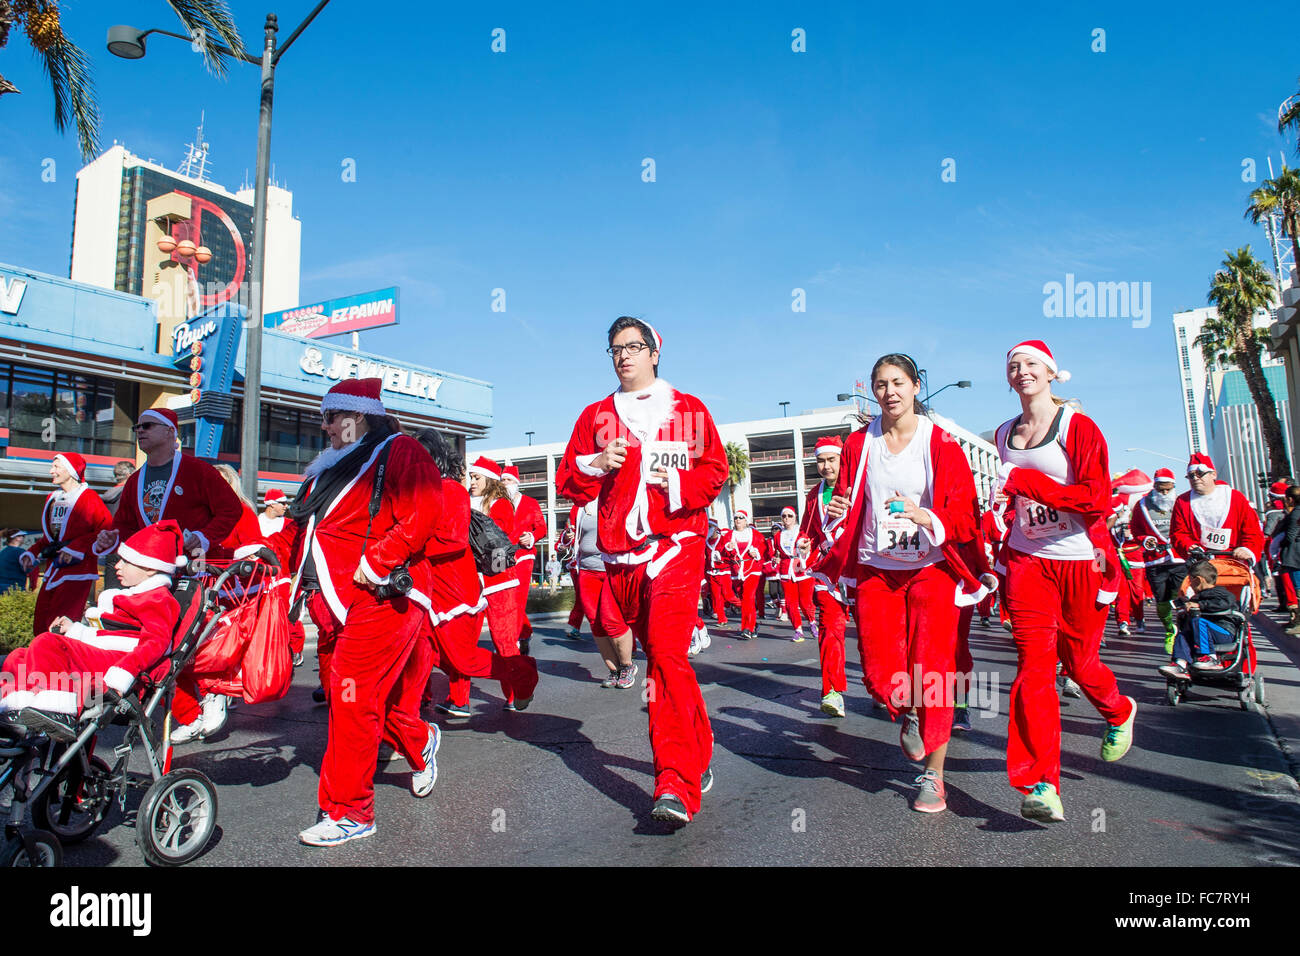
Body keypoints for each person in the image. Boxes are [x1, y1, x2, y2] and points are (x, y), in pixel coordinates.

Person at [555, 316, 727, 825]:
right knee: (664, 657)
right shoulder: (595, 415)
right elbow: (569, 480)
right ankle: (699, 747)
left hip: (677, 546)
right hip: (619, 553)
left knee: (668, 656)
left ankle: (673, 782)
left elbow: (714, 471)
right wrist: (596, 462)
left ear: (654, 352)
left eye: (633, 347)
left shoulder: (688, 410)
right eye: (614, 349)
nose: (623, 355)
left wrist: (675, 482)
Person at [268, 378, 444, 847]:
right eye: (323, 418)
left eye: (330, 417)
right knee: (363, 697)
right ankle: (419, 740)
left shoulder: (400, 449)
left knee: (351, 691)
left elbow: (424, 511)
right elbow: (293, 531)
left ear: (356, 416)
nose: (323, 427)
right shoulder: (321, 469)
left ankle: (350, 812)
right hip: (333, 596)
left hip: (385, 593)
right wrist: (249, 554)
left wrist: (379, 560)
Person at [821, 353, 990, 814]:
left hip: (931, 568)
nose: (889, 392)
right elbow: (847, 497)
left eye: (898, 382)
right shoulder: (859, 444)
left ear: (916, 387)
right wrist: (838, 510)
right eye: (880, 384)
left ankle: (933, 776)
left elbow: (964, 509)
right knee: (878, 673)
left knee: (931, 668)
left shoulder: (942, 444)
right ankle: (908, 709)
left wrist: (925, 515)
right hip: (878, 568)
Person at [992, 340, 1136, 824]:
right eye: (1013, 365)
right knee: (1034, 669)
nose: (1021, 370)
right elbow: (1016, 498)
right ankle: (1042, 782)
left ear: (1051, 373)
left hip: (1082, 559)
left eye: (1030, 363)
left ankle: (1118, 711)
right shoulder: (1002, 433)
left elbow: (1096, 498)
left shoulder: (1078, 426)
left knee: (1078, 662)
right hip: (1030, 560)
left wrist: (1023, 483)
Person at [0, 521, 185, 740]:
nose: (117, 566)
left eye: (126, 562)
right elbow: (109, 635)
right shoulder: (133, 596)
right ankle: (14, 709)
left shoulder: (158, 599)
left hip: (120, 667)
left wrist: (122, 674)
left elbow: (156, 644)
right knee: (19, 656)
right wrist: (75, 630)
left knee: (47, 643)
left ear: (150, 568)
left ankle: (59, 711)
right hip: (105, 656)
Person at [414, 429, 539, 720]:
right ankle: (410, 717)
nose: (472, 482)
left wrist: (410, 545)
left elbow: (454, 539)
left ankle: (521, 674)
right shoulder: (426, 491)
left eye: (477, 478)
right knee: (421, 652)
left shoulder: (453, 492)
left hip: (470, 586)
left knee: (469, 655)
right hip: (433, 588)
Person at [93, 408, 244, 568]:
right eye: (137, 427)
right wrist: (113, 539)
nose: (140, 431)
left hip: (194, 566)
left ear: (169, 431)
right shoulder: (134, 481)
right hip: (150, 568)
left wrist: (203, 537)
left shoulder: (198, 470)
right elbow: (125, 525)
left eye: (147, 426)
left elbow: (231, 509)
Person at [22, 453, 112, 636]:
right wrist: (31, 553)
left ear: (71, 471)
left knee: (60, 624)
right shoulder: (52, 498)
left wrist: (75, 548)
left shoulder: (89, 498)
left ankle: (57, 662)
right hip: (53, 570)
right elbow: (50, 539)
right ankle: (41, 660)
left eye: (56, 467)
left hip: (77, 572)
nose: (51, 471)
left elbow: (106, 531)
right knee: (41, 621)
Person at [800, 435, 855, 718]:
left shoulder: (856, 487)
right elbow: (806, 531)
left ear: (841, 459)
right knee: (830, 629)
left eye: (831, 460)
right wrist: (802, 543)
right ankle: (832, 691)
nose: (825, 466)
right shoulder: (813, 494)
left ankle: (878, 683)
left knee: (871, 637)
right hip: (827, 571)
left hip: (860, 569)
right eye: (820, 461)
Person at [467, 456, 527, 707]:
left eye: (476, 477)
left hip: (499, 580)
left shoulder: (500, 504)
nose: (471, 482)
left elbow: (496, 543)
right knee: (465, 643)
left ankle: (517, 691)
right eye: (470, 477)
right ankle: (458, 699)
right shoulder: (465, 501)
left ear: (489, 479)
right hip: (470, 582)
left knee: (503, 640)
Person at [565, 499, 636, 686]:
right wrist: (569, 538)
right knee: (595, 622)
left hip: (611, 568)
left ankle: (627, 665)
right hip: (586, 571)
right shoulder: (578, 507)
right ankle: (614, 670)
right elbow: (575, 538)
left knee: (612, 619)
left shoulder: (615, 498)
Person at [1170, 453, 1265, 565]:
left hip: (1235, 562)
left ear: (1213, 474)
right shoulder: (1183, 501)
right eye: (1191, 476)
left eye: (1200, 474)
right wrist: (1189, 546)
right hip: (1203, 564)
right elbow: (1178, 532)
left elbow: (1252, 529)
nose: (1195, 478)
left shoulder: (1235, 497)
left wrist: (1247, 549)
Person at [1157, 560, 1244, 679]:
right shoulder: (1196, 597)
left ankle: (1210, 658)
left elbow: (1226, 602)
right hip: (1203, 632)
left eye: (1191, 581)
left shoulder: (1221, 593)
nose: (1190, 585)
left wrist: (1201, 606)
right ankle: (1180, 664)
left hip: (1223, 631)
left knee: (1199, 622)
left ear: (1198, 580)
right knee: (1183, 634)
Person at [1128, 467, 1182, 653]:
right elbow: (1135, 530)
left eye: (1168, 489)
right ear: (1155, 486)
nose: (1165, 493)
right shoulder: (1142, 505)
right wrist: (1145, 540)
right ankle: (1169, 629)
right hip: (1155, 560)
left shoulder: (1181, 502)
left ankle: (1184, 633)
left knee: (1184, 598)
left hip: (1180, 559)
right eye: (1161, 489)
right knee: (1162, 600)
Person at [502, 464, 546, 655]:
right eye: (502, 480)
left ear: (517, 483)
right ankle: (525, 632)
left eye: (509, 480)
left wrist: (532, 537)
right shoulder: (496, 503)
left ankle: (513, 641)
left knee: (518, 598)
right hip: (502, 556)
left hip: (524, 554)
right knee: (506, 599)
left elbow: (541, 528)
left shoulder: (530, 503)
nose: (505, 484)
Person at [773, 505, 815, 642]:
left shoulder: (802, 531)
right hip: (786, 570)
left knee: (805, 602)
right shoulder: (778, 536)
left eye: (789, 515)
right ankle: (798, 629)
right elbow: (778, 552)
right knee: (791, 603)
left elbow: (808, 546)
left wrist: (803, 549)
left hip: (801, 568)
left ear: (795, 517)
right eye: (784, 516)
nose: (786, 518)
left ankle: (812, 622)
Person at [722, 510, 766, 639]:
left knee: (748, 596)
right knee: (745, 599)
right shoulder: (729, 535)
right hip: (737, 570)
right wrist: (728, 548)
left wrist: (756, 552)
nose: (738, 520)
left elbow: (764, 549)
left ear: (746, 520)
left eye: (741, 518)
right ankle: (753, 624)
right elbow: (723, 554)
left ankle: (747, 627)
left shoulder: (755, 534)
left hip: (752, 568)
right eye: (736, 518)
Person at [101, 460, 137, 590]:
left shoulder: (106, 496)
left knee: (111, 588)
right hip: (127, 545)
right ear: (129, 475)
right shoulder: (129, 493)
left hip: (110, 546)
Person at [704, 521, 738, 627]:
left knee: (728, 596)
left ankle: (746, 607)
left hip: (724, 572)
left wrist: (729, 551)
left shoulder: (723, 539)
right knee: (716, 597)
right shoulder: (706, 542)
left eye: (711, 527)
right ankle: (721, 619)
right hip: (712, 573)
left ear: (715, 528)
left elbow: (731, 554)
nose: (709, 529)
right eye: (707, 526)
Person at [0, 530, 29, 595]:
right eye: (22, 536)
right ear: (17, 538)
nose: (24, 538)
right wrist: (38, 560)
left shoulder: (2, 552)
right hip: (15, 589)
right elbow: (27, 568)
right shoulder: (20, 552)